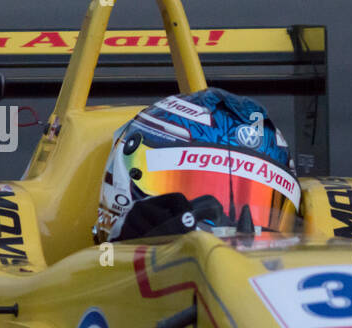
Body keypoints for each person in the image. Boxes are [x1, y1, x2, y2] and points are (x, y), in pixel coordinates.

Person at [94, 89, 300, 243]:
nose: (234, 231)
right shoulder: (100, 265)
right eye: (193, 188)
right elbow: (104, 266)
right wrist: (126, 246)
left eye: (260, 203)